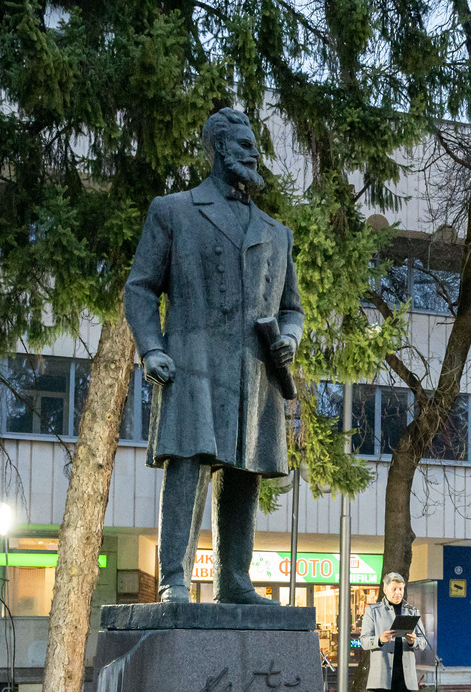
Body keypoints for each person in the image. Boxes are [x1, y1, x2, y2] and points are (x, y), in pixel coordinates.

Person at [125, 108, 303, 603]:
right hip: (193, 362)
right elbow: (140, 288)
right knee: (188, 464)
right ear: (220, 148)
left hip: (254, 371)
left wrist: (291, 337)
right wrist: (151, 348)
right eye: (244, 145)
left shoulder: (276, 232)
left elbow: (292, 308)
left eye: (255, 146)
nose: (253, 154)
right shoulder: (174, 211)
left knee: (245, 473)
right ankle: (174, 578)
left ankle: (235, 580)